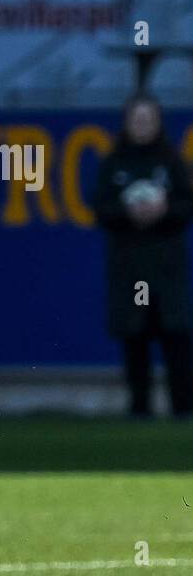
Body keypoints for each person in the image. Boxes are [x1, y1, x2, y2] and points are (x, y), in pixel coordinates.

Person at [91, 95, 193, 417]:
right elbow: (101, 208)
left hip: (167, 271)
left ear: (158, 123)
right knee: (135, 342)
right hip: (129, 271)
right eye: (137, 119)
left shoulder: (173, 162)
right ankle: (139, 413)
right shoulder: (115, 163)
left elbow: (186, 207)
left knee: (176, 341)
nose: (143, 125)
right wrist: (128, 212)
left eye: (148, 119)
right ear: (127, 122)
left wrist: (163, 210)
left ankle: (183, 413)